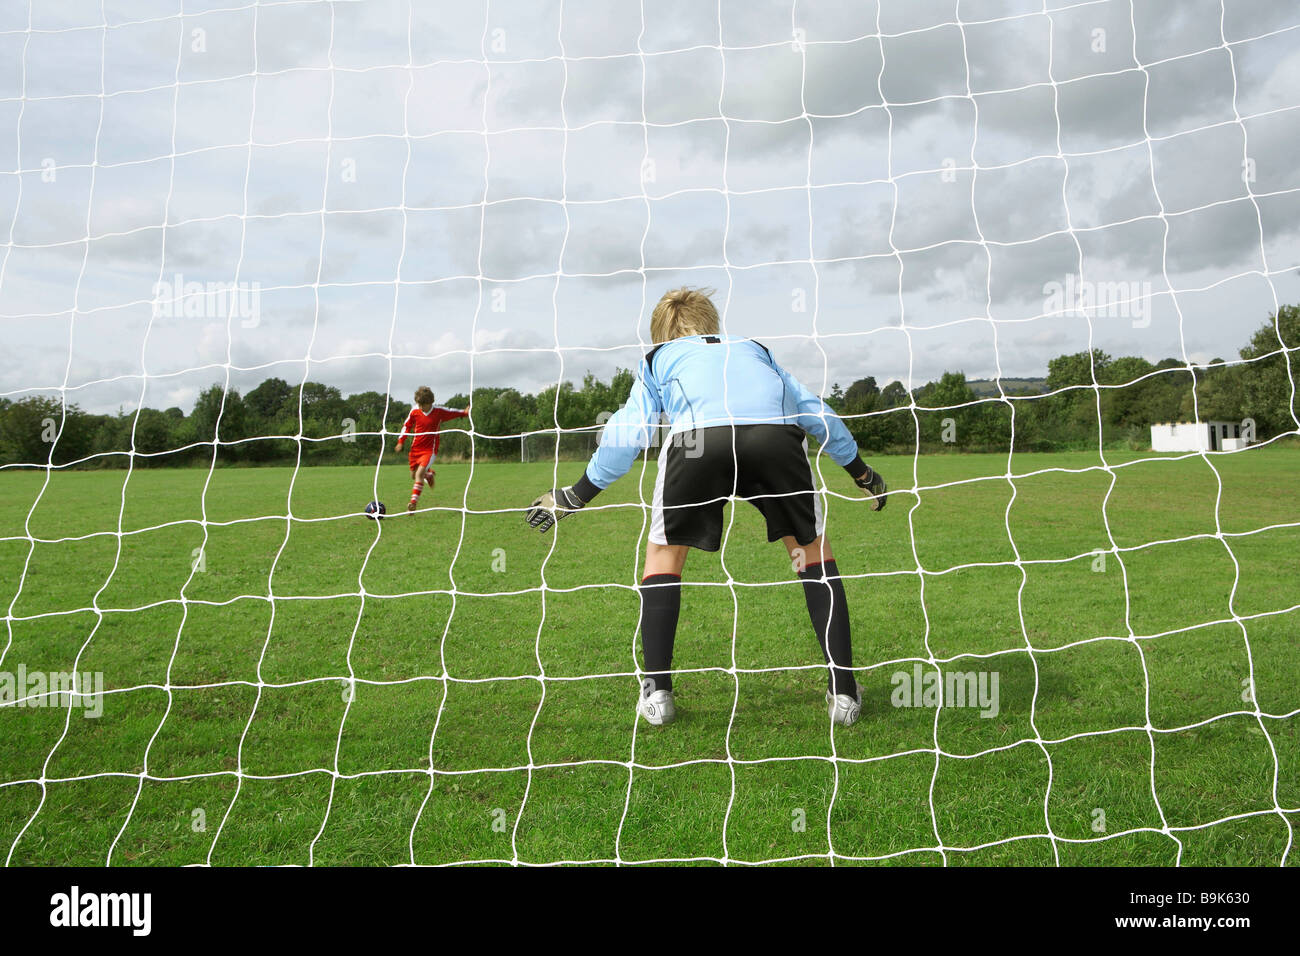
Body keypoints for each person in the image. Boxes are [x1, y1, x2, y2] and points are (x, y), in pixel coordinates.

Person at [525, 288, 887, 727]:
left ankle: (658, 695)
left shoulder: (659, 358)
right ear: (712, 323)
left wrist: (578, 494)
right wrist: (860, 471)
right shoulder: (753, 350)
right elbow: (815, 412)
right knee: (811, 554)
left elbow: (628, 432)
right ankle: (844, 693)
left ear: (661, 333)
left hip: (697, 444)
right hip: (772, 440)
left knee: (664, 556)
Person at [395, 387, 469, 512]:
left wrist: (465, 413)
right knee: (413, 475)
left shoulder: (439, 412)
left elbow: (452, 412)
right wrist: (400, 442)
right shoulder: (414, 411)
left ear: (430, 403)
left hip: (429, 450)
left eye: (423, 405)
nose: (420, 407)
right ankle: (428, 475)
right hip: (415, 450)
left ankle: (413, 504)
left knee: (419, 474)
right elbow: (406, 426)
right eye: (419, 404)